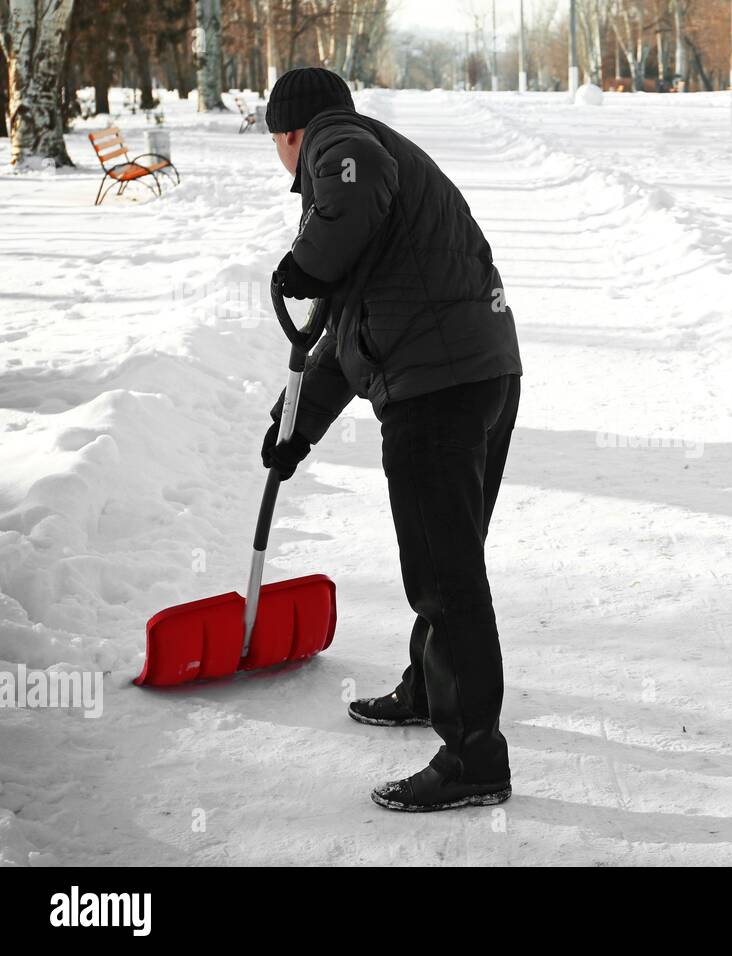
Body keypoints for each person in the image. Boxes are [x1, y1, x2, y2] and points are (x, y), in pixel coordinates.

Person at [261, 67, 522, 812]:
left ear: (290, 134)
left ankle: (475, 759)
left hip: (438, 391)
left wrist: (305, 261)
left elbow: (353, 172)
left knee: (447, 578)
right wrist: (296, 430)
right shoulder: (385, 204)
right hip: (483, 373)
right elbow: (349, 340)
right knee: (446, 558)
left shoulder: (340, 142)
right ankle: (426, 689)